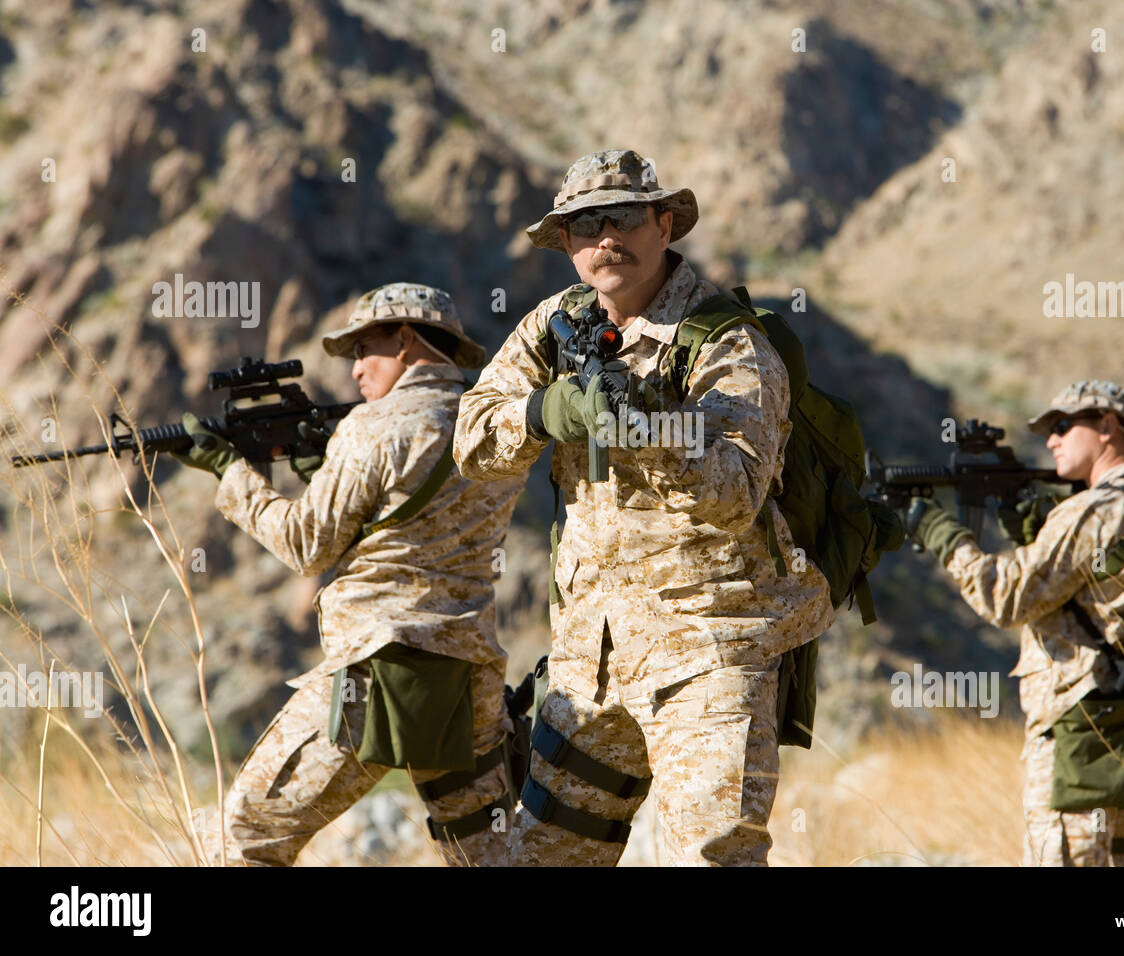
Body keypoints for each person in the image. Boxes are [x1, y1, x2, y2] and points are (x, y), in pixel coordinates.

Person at [453, 148, 835, 866]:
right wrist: (542, 412)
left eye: (624, 217)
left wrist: (644, 430)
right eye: (584, 224)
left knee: (712, 856)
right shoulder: (554, 326)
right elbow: (471, 442)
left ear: (664, 224)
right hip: (590, 662)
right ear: (564, 242)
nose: (606, 238)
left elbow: (735, 495)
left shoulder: (727, 342)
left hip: (707, 653)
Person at [174, 283, 525, 866]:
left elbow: (305, 544)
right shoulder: (494, 423)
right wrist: (329, 473)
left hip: (378, 669)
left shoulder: (373, 426)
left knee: (243, 834)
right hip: (468, 679)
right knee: (485, 855)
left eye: (365, 348)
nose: (356, 368)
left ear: (407, 340)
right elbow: (418, 521)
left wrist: (227, 472)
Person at [907, 380, 1124, 866]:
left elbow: (1006, 597)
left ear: (1108, 427)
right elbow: (1094, 587)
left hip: (1081, 734)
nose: (1051, 440)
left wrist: (943, 535)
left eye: (1062, 426)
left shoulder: (1093, 508)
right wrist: (1038, 529)